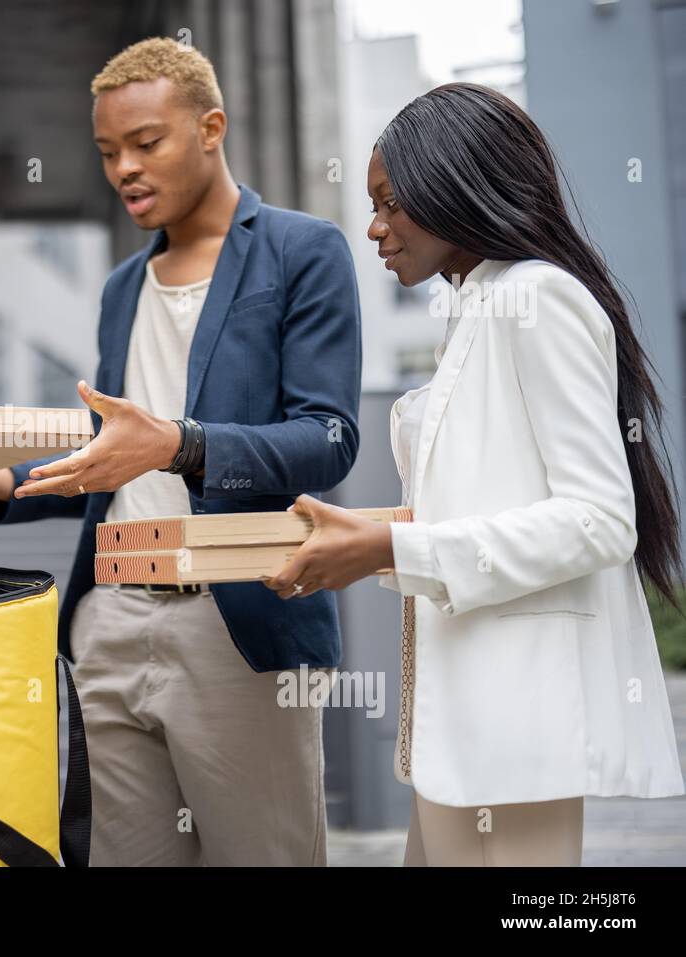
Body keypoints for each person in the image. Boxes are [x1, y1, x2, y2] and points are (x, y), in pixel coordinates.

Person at [0, 38, 361, 865]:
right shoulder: (122, 288)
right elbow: (114, 455)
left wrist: (179, 445)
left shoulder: (301, 251)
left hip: (239, 616)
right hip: (110, 617)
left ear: (211, 127)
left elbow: (327, 440)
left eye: (147, 143)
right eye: (109, 152)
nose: (125, 169)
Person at [265, 82, 686, 865]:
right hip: (463, 731)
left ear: (455, 185)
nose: (374, 228)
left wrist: (390, 548)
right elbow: (484, 505)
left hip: (517, 729)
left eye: (391, 204)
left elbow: (598, 519)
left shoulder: (538, 297)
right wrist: (368, 537)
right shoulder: (479, 308)